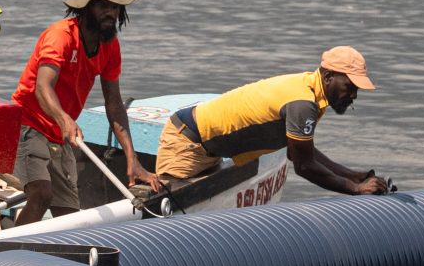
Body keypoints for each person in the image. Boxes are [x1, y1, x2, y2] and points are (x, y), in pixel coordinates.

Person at [11, 0, 158, 224]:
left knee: (69, 217)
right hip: (28, 125)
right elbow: (42, 87)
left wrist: (132, 159)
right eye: (102, 5)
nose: (110, 12)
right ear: (86, 8)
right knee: (42, 195)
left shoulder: (110, 46)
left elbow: (114, 103)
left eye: (115, 6)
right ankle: (4, 254)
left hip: (60, 134)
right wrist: (64, 119)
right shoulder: (61, 36)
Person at [154, 46, 393, 197]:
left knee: (200, 203)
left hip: (207, 147)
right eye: (349, 87)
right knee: (170, 210)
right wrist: (356, 189)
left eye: (356, 90)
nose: (353, 95)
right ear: (328, 76)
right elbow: (303, 165)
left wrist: (353, 175)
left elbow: (300, 151)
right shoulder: (303, 103)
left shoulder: (310, 92)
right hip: (187, 143)